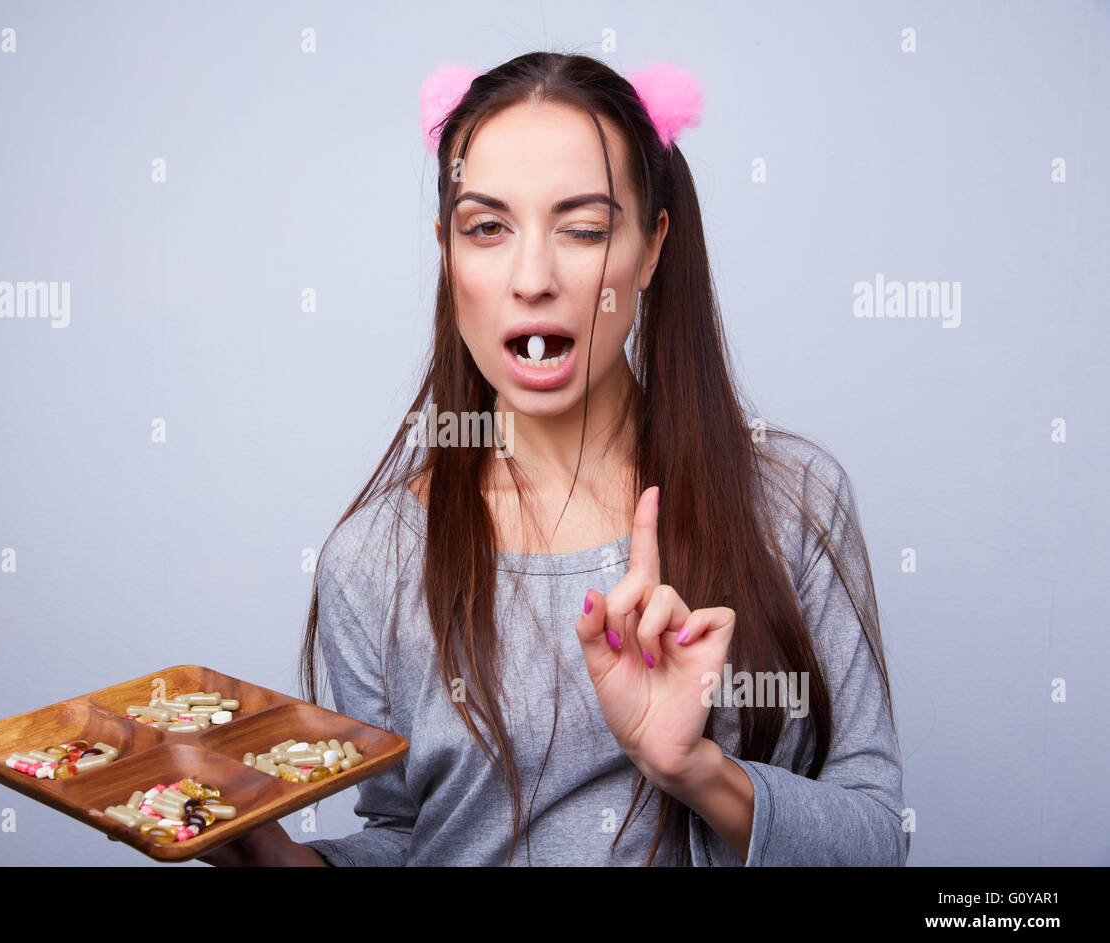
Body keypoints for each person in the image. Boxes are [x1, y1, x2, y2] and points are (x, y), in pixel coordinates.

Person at [200, 50, 909, 866]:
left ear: (650, 250)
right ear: (447, 253)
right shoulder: (372, 559)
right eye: (487, 229)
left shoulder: (794, 502)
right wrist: (291, 863)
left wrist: (693, 768)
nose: (532, 277)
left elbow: (875, 841)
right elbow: (406, 837)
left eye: (584, 228)